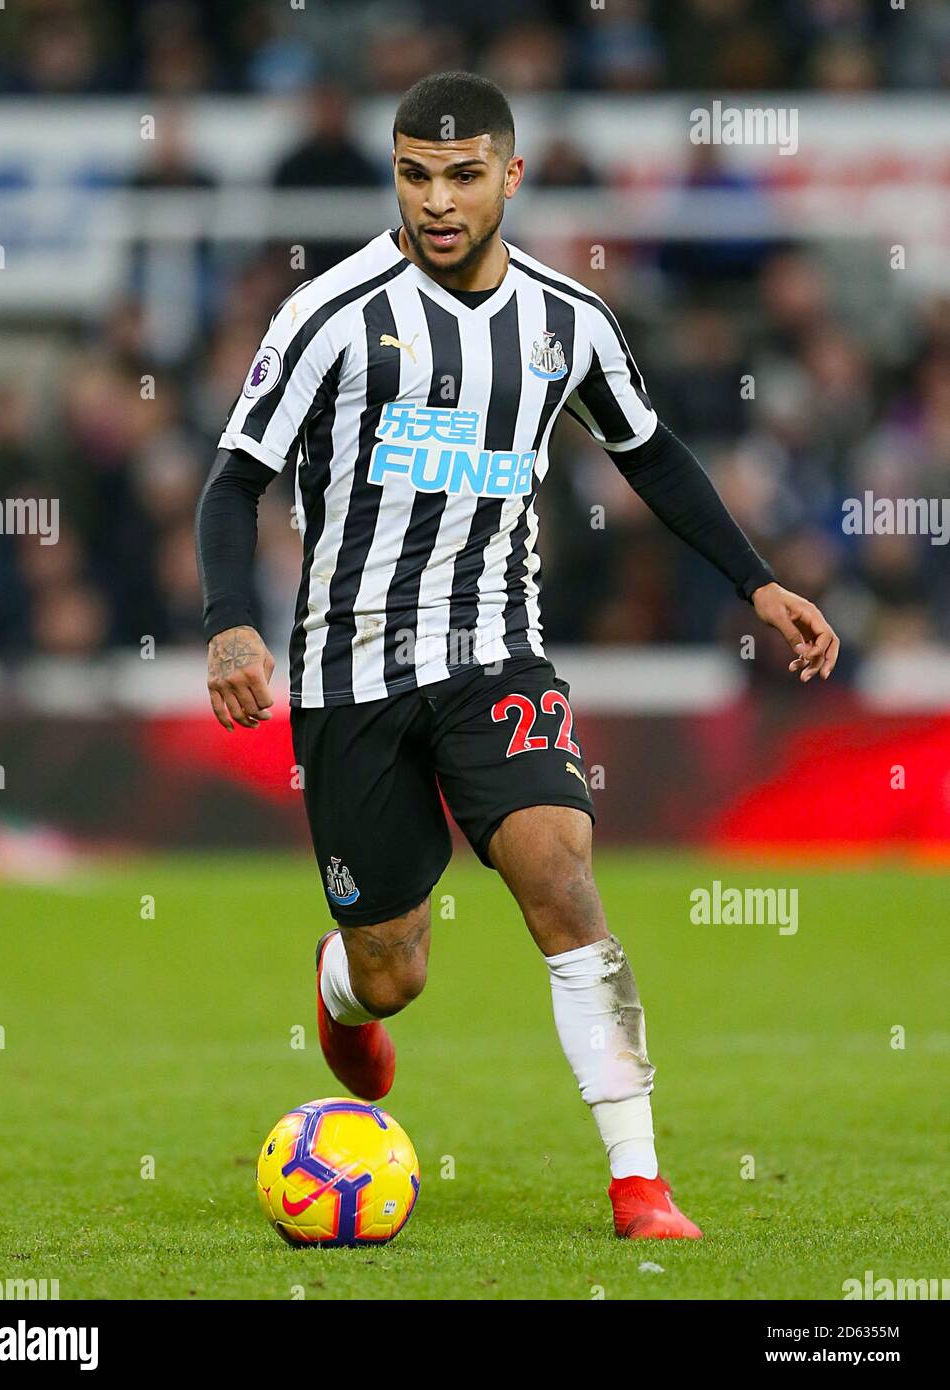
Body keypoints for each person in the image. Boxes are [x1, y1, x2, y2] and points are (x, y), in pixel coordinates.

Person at [194, 70, 840, 1240]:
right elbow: (236, 477)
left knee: (560, 876)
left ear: (511, 175)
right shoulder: (331, 313)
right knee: (395, 967)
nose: (435, 200)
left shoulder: (566, 322)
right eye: (412, 174)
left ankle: (638, 1181)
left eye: (461, 174)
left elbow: (652, 457)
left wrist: (757, 580)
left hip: (498, 656)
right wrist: (231, 621)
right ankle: (345, 993)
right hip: (351, 675)